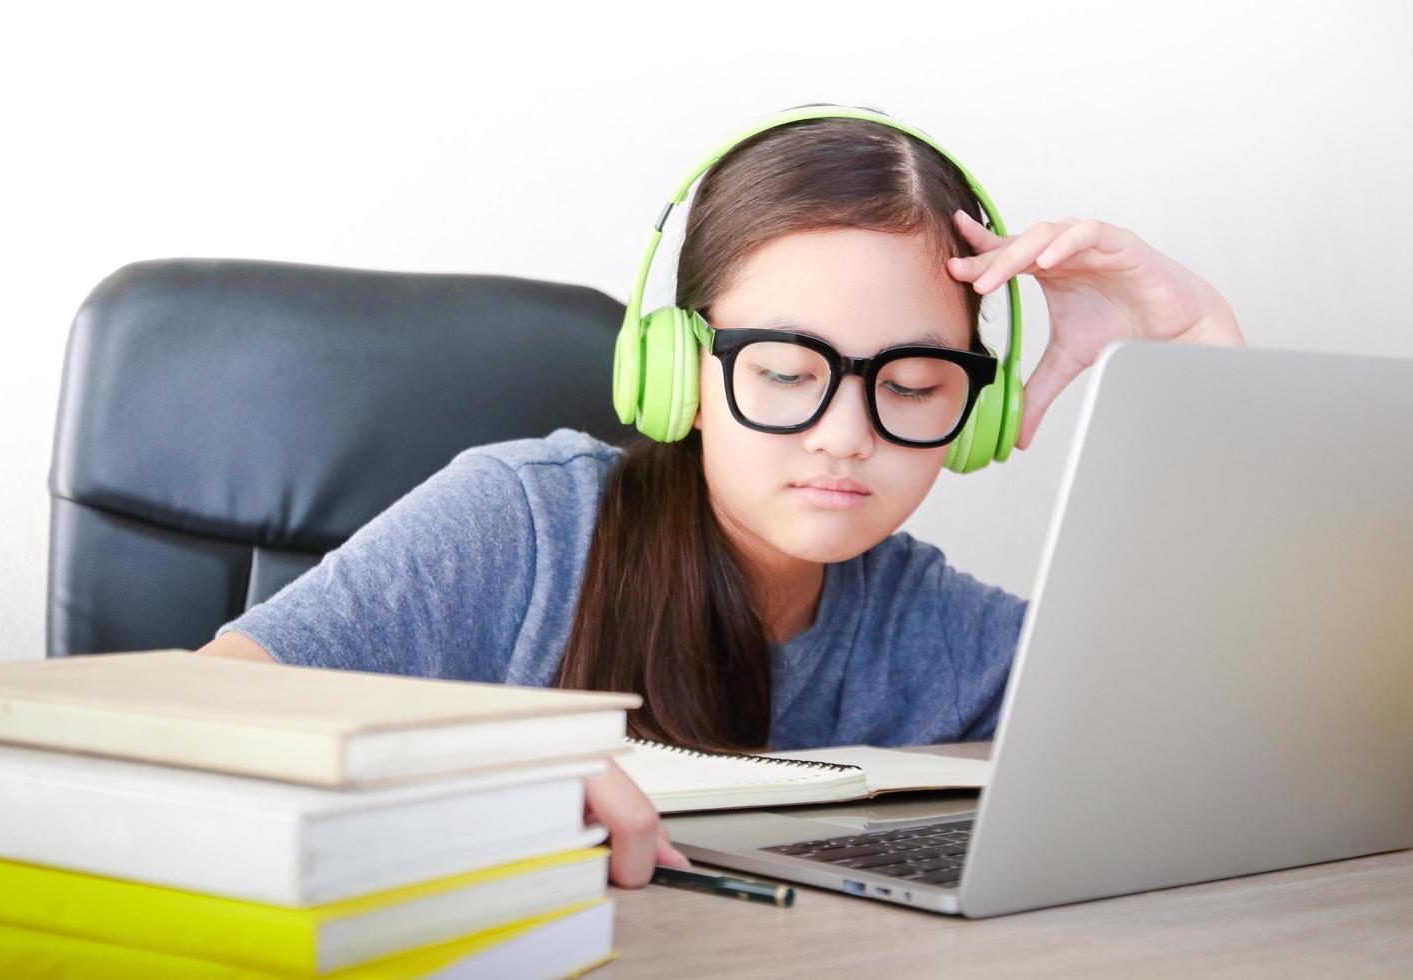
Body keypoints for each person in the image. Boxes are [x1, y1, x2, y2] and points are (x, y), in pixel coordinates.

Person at [197, 107, 1245, 889]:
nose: (847, 432)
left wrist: (1206, 364)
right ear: (675, 373)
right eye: (787, 372)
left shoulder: (926, 621)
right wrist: (466, 777)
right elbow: (194, 706)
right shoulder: (522, 524)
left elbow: (1218, 733)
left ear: (973, 409)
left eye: (916, 385)